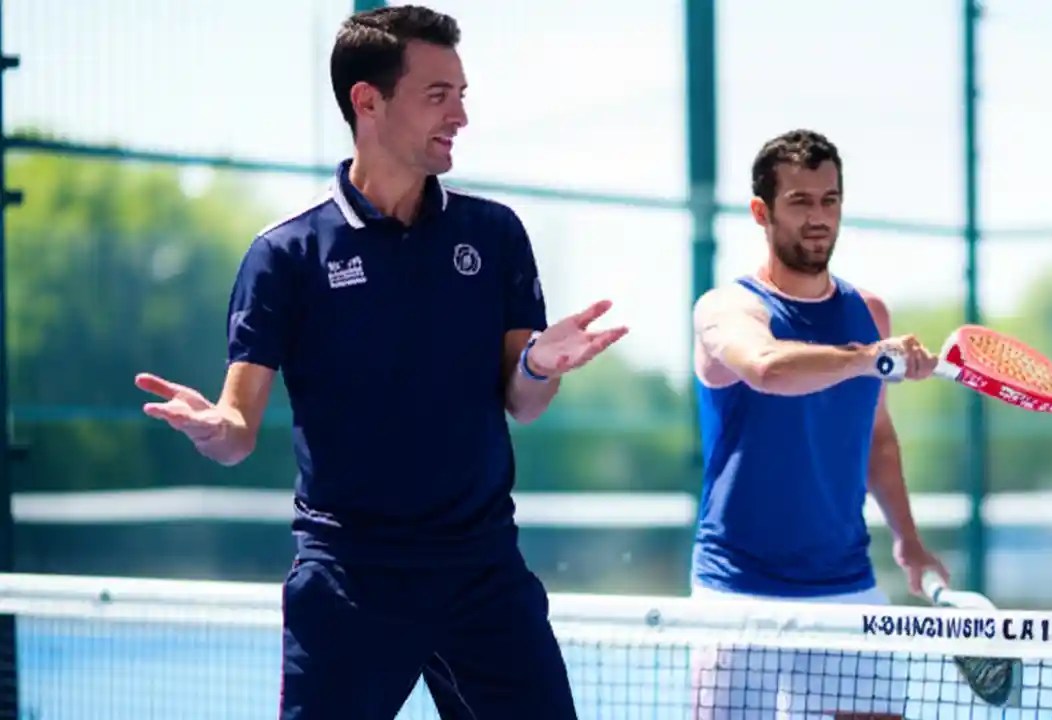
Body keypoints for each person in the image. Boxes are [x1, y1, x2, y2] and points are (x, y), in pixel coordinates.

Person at [133, 6, 626, 719]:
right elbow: (238, 428)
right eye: (438, 95)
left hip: (483, 572)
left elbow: (522, 401)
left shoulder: (495, 234)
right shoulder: (285, 255)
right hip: (350, 581)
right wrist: (215, 425)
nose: (460, 114)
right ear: (367, 101)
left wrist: (540, 367)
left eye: (462, 94)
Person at [688, 129, 949, 719]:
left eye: (829, 200)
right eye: (800, 201)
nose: (818, 217)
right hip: (736, 591)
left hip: (844, 585)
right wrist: (871, 358)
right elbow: (767, 368)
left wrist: (908, 539)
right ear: (762, 211)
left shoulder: (869, 310)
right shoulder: (727, 308)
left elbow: (876, 438)